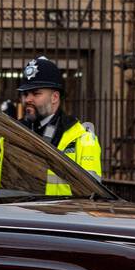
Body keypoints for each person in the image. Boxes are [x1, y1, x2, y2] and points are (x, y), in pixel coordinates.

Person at [16, 55, 102, 194]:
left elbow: (91, 194)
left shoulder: (82, 138)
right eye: (25, 94)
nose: (28, 99)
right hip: (12, 213)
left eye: (36, 93)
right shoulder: (13, 132)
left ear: (54, 97)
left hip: (59, 214)